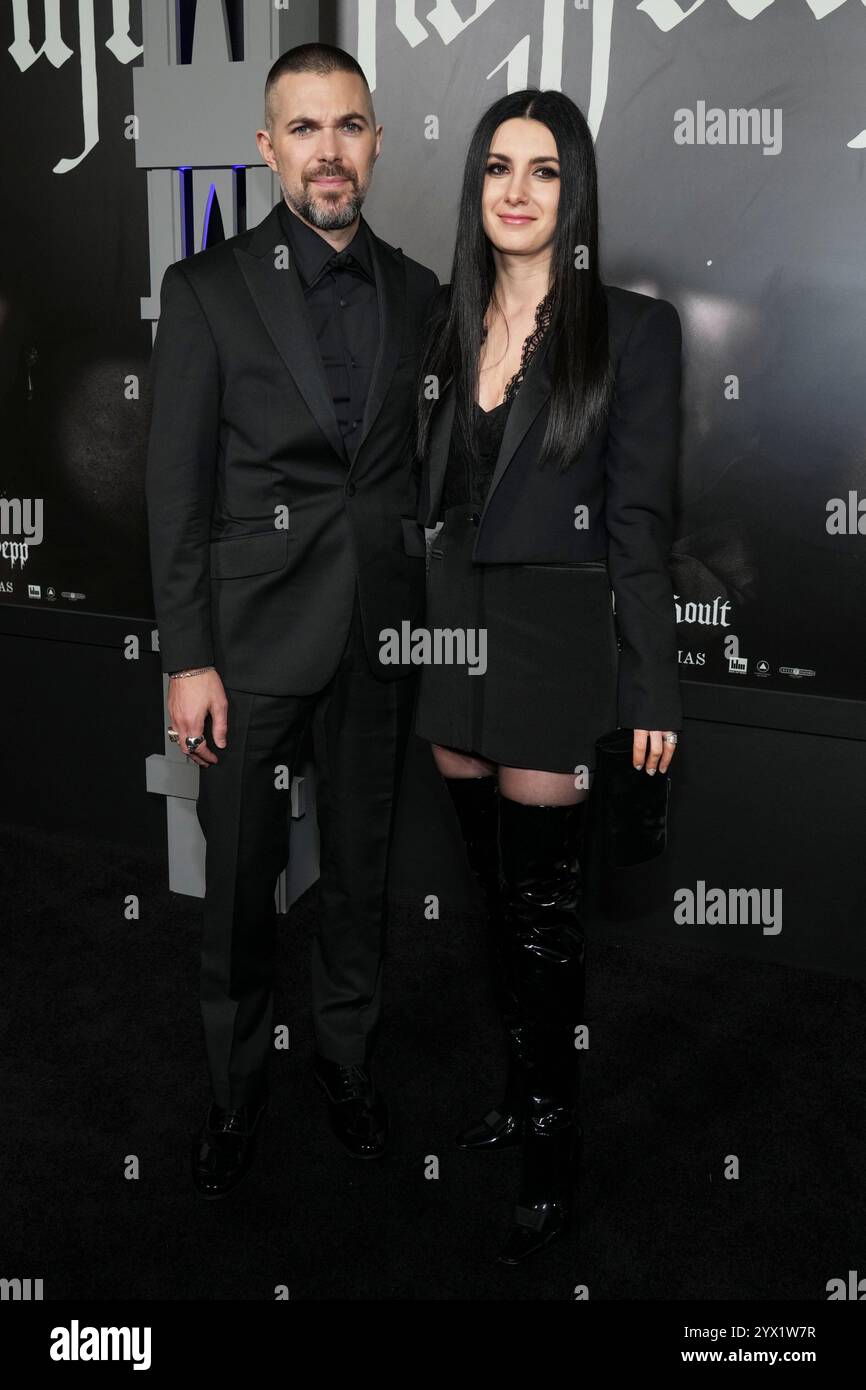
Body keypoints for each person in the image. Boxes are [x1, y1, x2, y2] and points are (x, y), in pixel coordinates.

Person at [145, 43, 438, 1198]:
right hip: (249, 647)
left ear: (375, 142)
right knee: (237, 889)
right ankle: (233, 1092)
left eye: (348, 126)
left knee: (360, 875)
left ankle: (345, 1064)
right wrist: (187, 659)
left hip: (378, 636)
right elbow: (175, 492)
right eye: (304, 128)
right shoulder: (206, 289)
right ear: (267, 148)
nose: (328, 150)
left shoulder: (418, 293)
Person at [411, 89, 683, 1263]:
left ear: (574, 192)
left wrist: (650, 688)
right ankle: (521, 1094)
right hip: (450, 648)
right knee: (491, 904)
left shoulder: (632, 329)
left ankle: (552, 1145)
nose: (515, 190)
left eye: (542, 169)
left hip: (552, 648)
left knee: (542, 925)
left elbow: (639, 524)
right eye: (495, 167)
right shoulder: (441, 324)